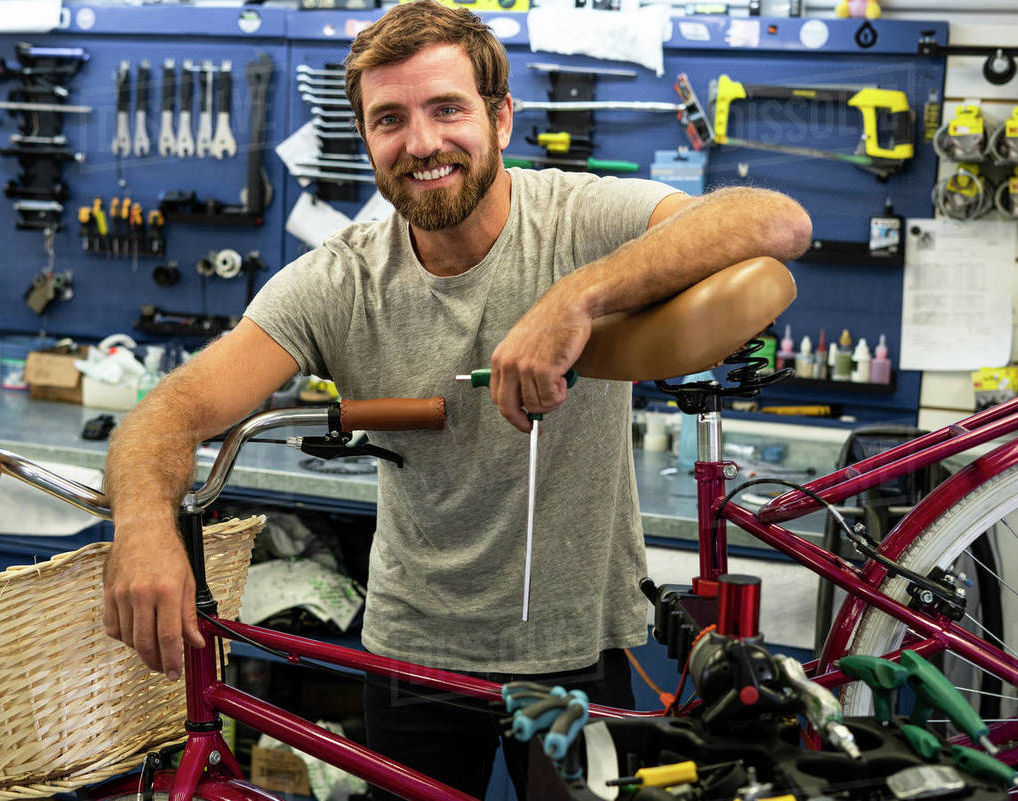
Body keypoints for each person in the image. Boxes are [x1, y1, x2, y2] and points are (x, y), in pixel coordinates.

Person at [101, 1, 811, 797]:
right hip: (413, 653)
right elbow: (168, 412)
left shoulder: (579, 220)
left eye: (447, 109)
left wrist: (573, 299)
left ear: (501, 118)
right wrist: (142, 526)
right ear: (367, 139)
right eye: (390, 119)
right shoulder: (339, 280)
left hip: (578, 646)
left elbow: (774, 220)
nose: (422, 143)